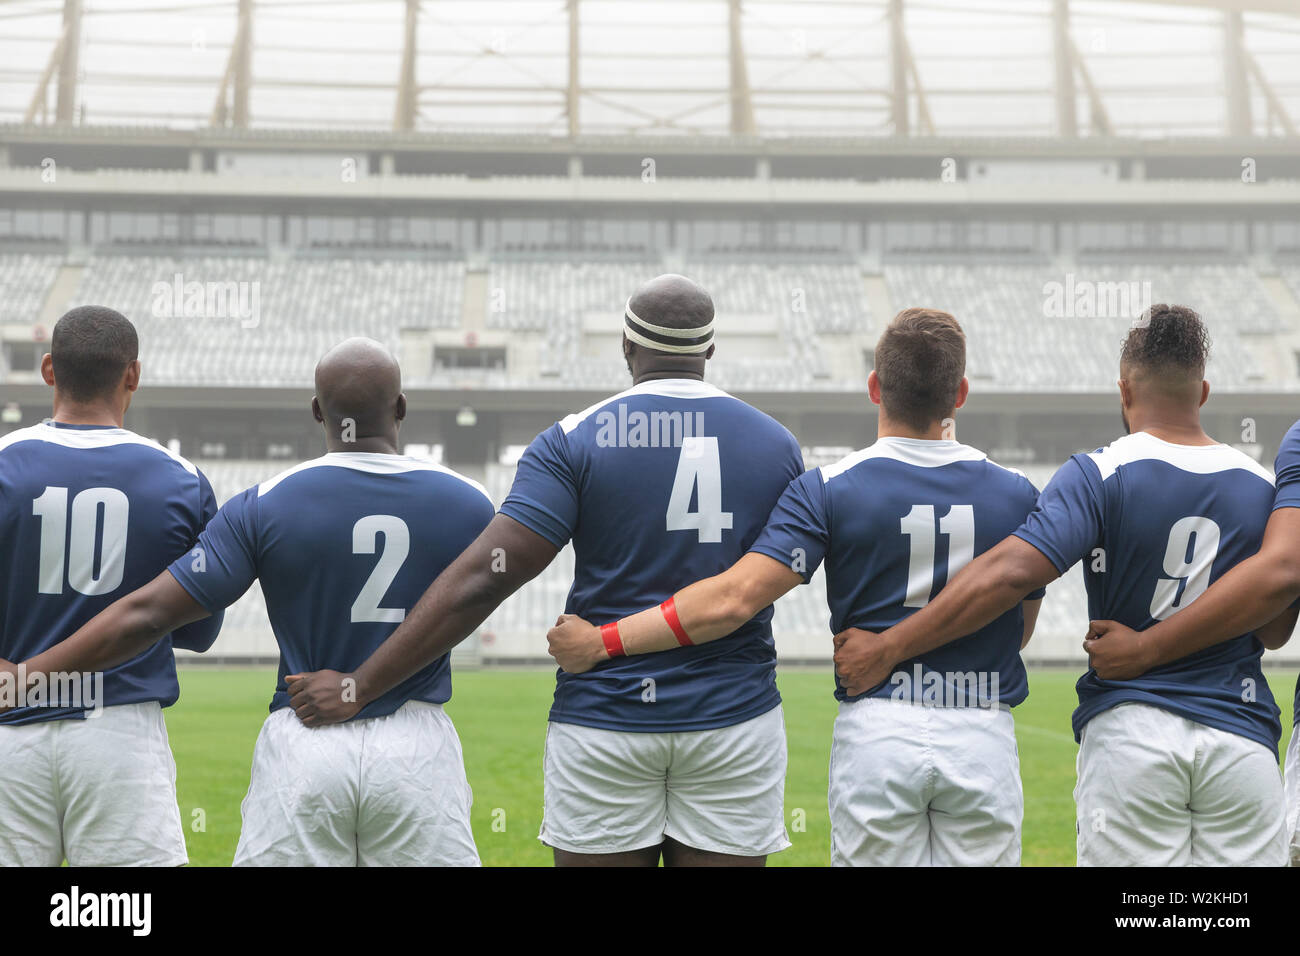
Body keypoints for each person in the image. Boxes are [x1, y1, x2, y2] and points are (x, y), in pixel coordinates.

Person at [286, 275, 805, 866]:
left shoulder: (573, 439)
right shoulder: (777, 444)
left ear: (627, 347)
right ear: (709, 351)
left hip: (606, 718)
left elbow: (490, 574)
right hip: (733, 718)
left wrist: (361, 683)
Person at [547, 307, 1044, 866]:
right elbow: (1018, 631)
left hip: (878, 728)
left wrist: (603, 641)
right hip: (981, 727)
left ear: (875, 388)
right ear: (961, 394)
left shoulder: (827, 489)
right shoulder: (1020, 495)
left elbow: (734, 598)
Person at [833, 304, 1294, 866]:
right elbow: (1274, 630)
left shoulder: (1097, 473)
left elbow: (1012, 573)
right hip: (1240, 737)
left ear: (1124, 391)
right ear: (1203, 393)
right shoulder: (1264, 487)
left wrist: (891, 645)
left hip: (1135, 733)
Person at [4, 338, 491, 866]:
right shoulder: (472, 504)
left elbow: (151, 614)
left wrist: (29, 676)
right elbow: (471, 598)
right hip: (416, 745)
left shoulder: (264, 503)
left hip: (305, 738)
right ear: (400, 408)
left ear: (315, 411)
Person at [0, 305, 222, 866]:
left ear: (49, 370)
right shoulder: (182, 480)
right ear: (133, 375)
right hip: (119, 732)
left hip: (7, 727)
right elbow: (198, 631)